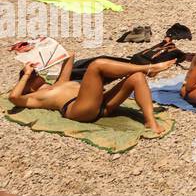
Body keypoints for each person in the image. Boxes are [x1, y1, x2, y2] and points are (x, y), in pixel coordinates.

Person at [9, 51, 174, 134]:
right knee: (96, 65)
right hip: (79, 110)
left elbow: (70, 56)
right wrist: (27, 74)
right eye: (33, 76)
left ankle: (150, 122)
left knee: (137, 77)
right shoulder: (35, 97)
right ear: (28, 86)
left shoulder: (60, 82)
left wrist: (43, 52)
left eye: (35, 73)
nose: (36, 74)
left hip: (100, 106)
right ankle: (149, 68)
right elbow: (14, 97)